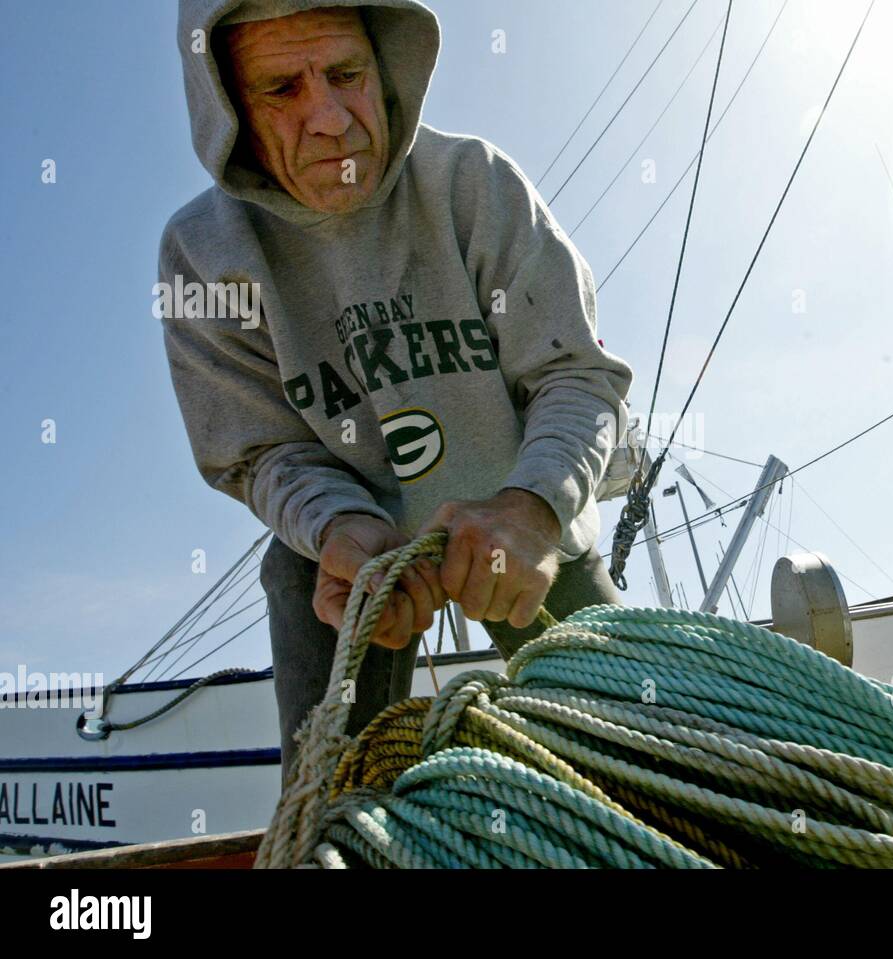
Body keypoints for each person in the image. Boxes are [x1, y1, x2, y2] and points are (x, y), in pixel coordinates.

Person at [158, 0, 633, 776]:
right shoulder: (203, 256)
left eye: (346, 75)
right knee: (331, 788)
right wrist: (339, 525)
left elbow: (574, 375)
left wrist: (533, 508)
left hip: (525, 519)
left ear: (386, 68)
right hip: (343, 561)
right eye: (282, 90)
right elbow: (262, 451)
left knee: (651, 747)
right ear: (229, 111)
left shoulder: (473, 183)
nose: (330, 119)